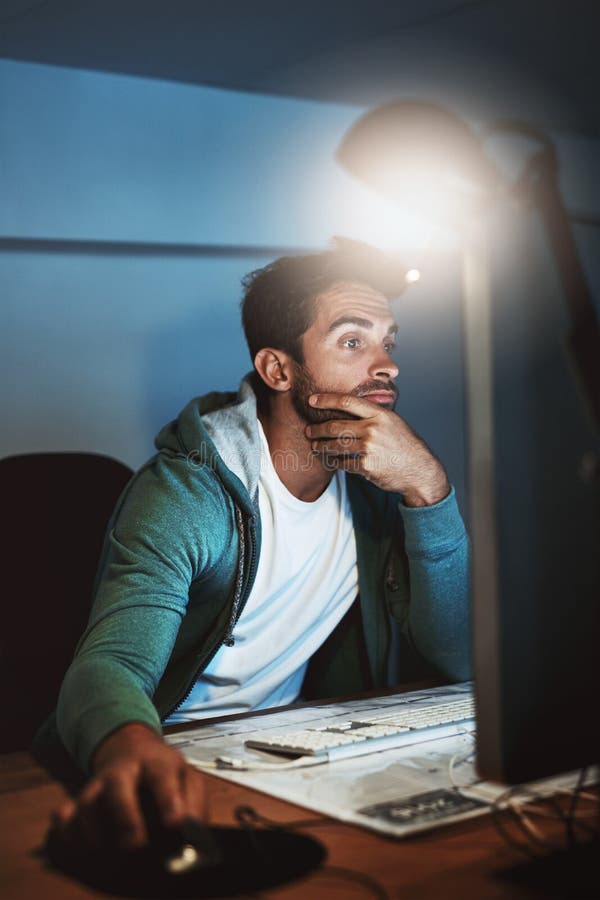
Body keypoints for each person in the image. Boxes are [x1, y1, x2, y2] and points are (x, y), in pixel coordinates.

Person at [36, 237, 470, 850]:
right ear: (278, 370)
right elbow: (109, 666)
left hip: (292, 757)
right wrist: (128, 747)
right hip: (167, 759)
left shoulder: (376, 490)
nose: (387, 364)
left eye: (387, 342)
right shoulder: (186, 494)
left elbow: (459, 656)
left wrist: (430, 491)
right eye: (353, 341)